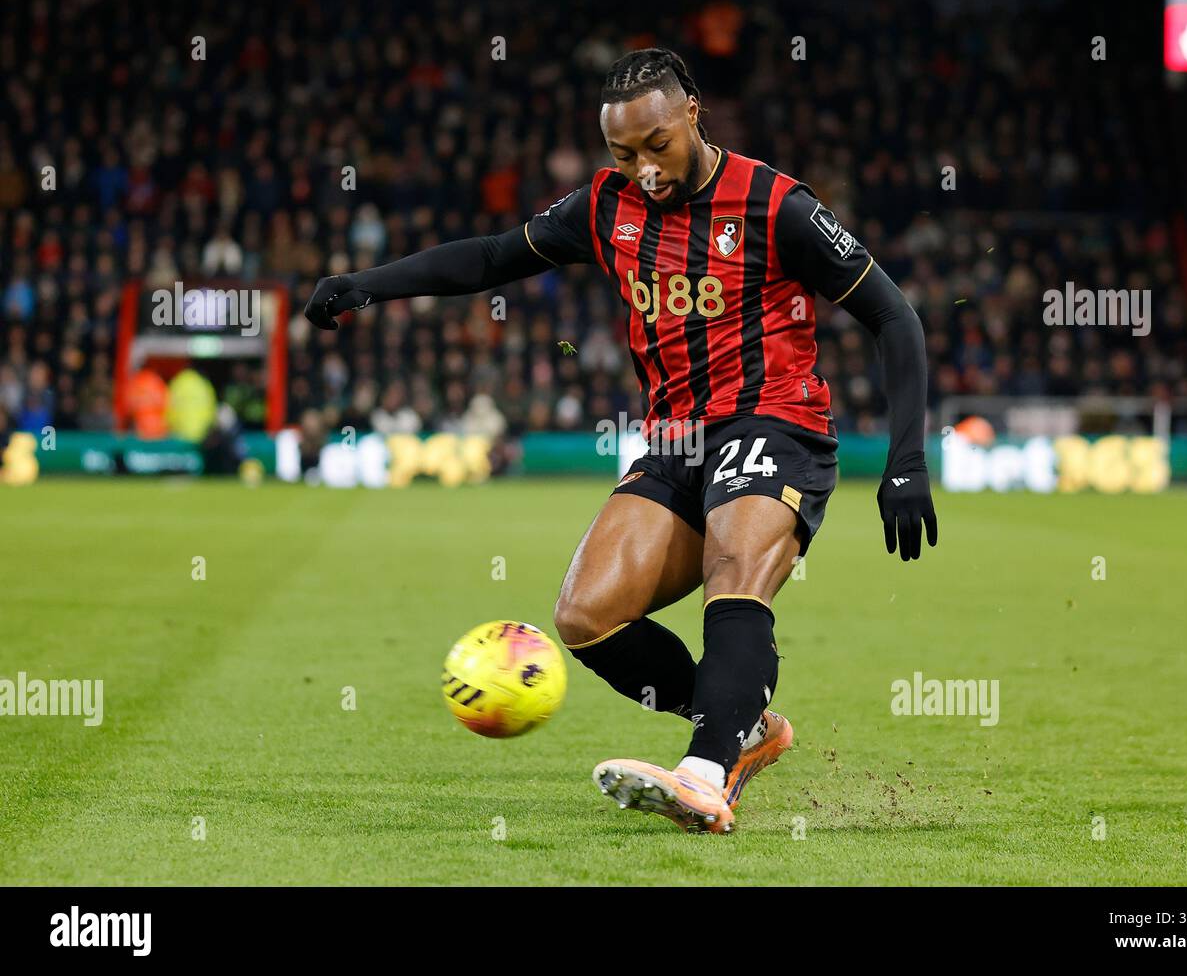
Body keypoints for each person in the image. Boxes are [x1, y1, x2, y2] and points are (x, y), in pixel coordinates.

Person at [305, 48, 937, 834]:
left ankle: (706, 775)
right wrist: (370, 283)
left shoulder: (777, 205)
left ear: (693, 114)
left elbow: (894, 316)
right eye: (622, 153)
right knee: (585, 616)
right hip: (673, 441)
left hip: (776, 422)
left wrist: (907, 462)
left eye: (656, 145)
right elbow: (493, 258)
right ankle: (740, 723)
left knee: (734, 569)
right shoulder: (604, 207)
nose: (642, 168)